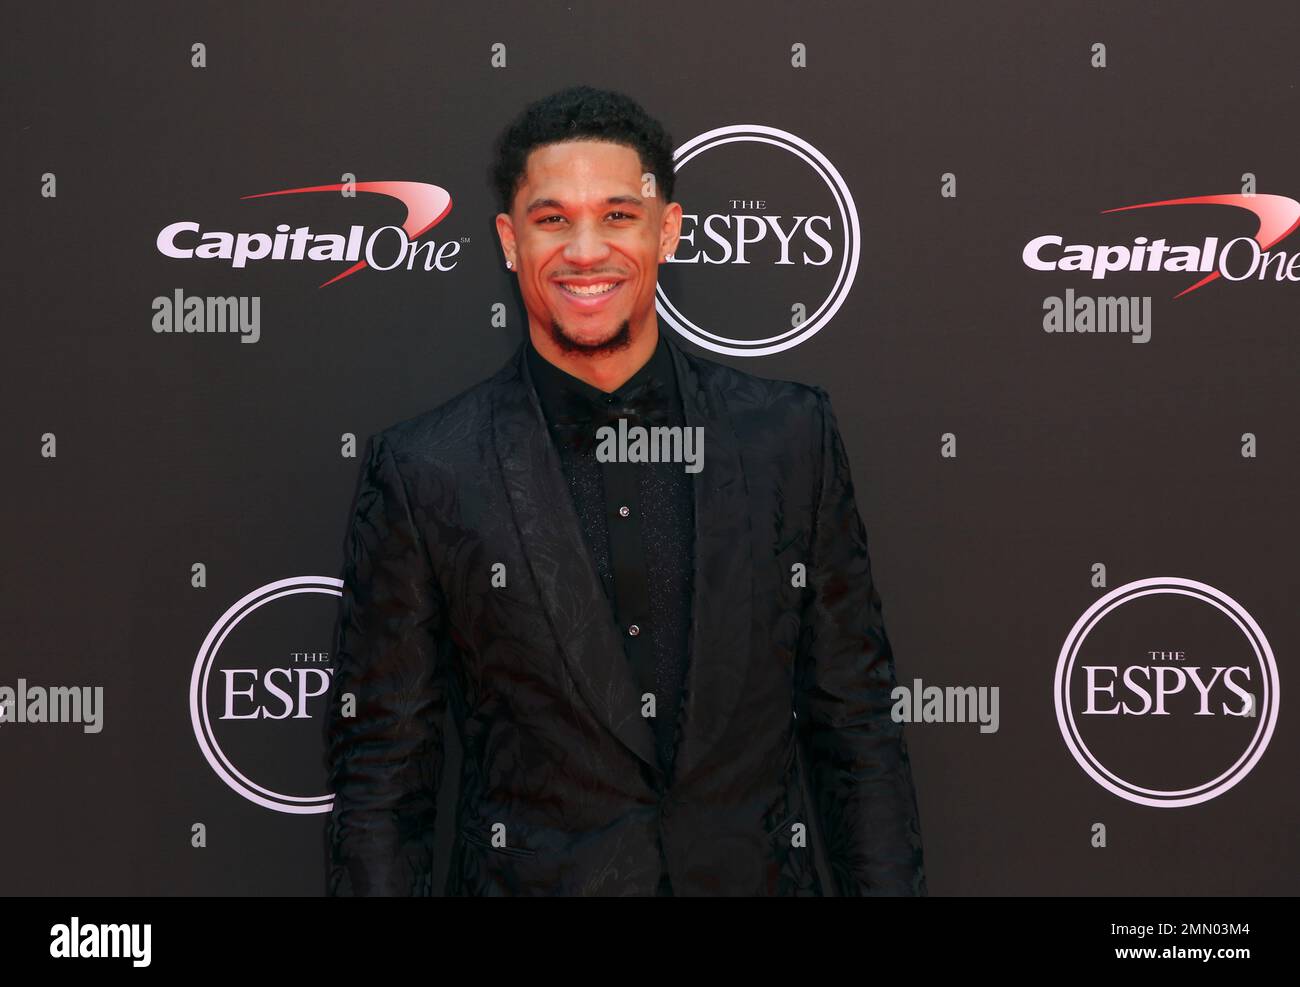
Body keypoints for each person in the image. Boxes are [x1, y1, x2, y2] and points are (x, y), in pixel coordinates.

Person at [323, 84, 926, 896]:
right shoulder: (429, 469)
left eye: (617, 214)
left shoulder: (788, 439)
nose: (584, 250)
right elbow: (382, 782)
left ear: (666, 230)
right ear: (509, 241)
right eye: (551, 218)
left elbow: (856, 732)